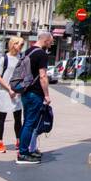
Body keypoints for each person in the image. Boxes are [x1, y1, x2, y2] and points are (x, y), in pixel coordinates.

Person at [17, 31, 54, 164]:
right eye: (51, 41)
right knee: (30, 123)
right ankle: (23, 153)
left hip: (25, 92)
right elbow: (43, 76)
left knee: (26, 121)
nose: (52, 43)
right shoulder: (41, 54)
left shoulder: (28, 51)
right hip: (35, 93)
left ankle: (25, 150)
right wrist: (47, 95)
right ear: (45, 40)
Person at [0, 37, 25, 153]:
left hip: (17, 92)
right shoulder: (4, 58)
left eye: (22, 45)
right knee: (2, 117)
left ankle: (19, 140)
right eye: (20, 44)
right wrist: (9, 89)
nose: (21, 47)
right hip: (5, 91)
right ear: (13, 44)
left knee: (18, 118)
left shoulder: (21, 58)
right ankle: (0, 143)